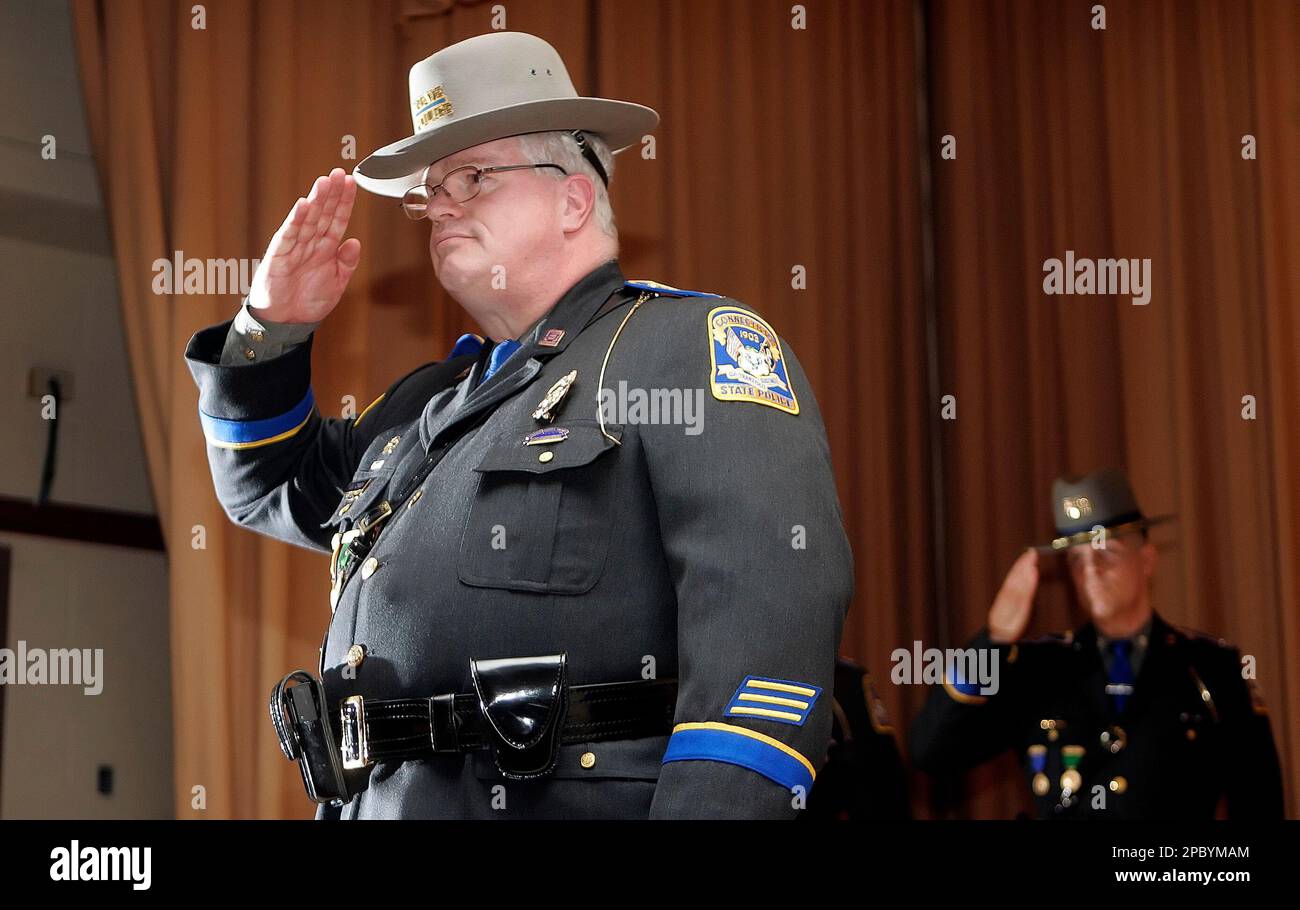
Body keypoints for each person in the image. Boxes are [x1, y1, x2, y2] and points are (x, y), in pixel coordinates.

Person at [184, 31, 853, 819]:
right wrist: (270, 328)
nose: (439, 205)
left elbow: (765, 649)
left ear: (573, 196)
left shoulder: (682, 351)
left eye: (471, 175)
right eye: (431, 189)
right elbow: (267, 487)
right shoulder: (426, 404)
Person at [909, 467, 1283, 819]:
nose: (1090, 572)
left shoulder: (1210, 670)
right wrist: (993, 641)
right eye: (1076, 560)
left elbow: (1259, 803)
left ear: (1147, 559)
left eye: (1105, 554)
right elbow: (931, 751)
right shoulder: (1041, 669)